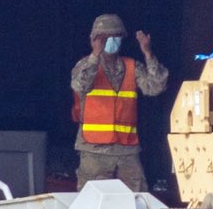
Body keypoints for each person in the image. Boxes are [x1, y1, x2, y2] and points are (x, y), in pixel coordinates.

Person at [71, 12, 167, 191]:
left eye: (116, 37)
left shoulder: (132, 66)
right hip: (94, 150)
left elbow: (155, 87)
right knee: (91, 203)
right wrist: (94, 56)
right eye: (106, 37)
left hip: (127, 150)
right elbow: (80, 85)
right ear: (95, 39)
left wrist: (148, 54)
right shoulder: (85, 66)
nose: (111, 41)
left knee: (136, 199)